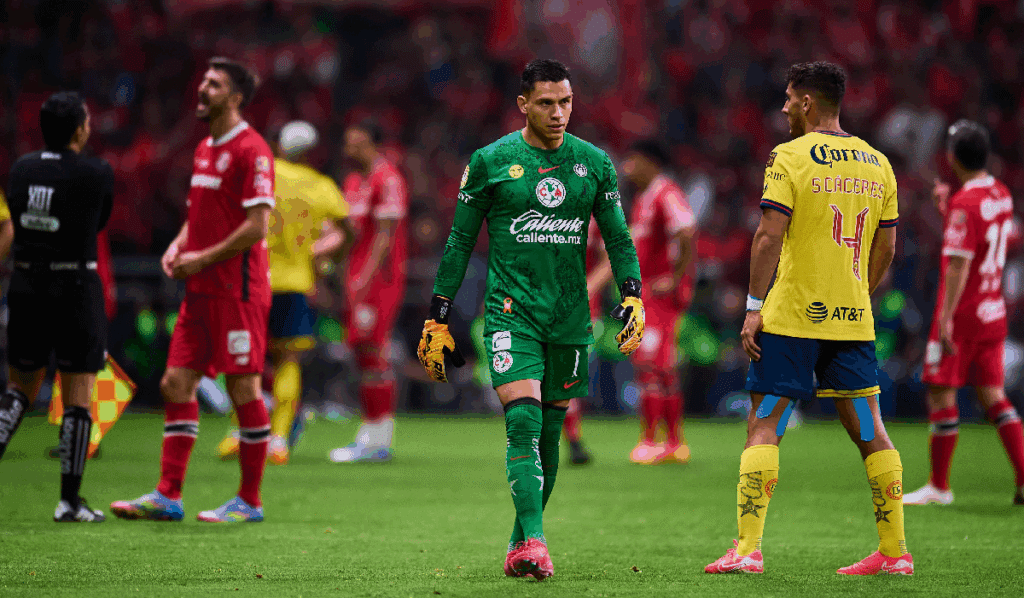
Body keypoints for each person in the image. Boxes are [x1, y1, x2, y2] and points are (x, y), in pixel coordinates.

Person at [417, 59, 644, 580]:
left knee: (548, 433)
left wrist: (633, 295)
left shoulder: (593, 163)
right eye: (546, 103)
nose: (559, 112)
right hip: (510, 315)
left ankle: (520, 543)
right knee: (522, 421)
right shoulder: (491, 161)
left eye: (565, 102)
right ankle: (539, 542)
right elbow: (457, 242)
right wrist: (438, 316)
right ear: (523, 105)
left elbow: (618, 237)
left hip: (569, 318)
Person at [704, 62, 913, 575]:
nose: (782, 108)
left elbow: (768, 236)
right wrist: (858, 290)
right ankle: (895, 552)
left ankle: (748, 549)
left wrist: (753, 308)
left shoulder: (790, 156)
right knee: (872, 432)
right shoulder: (877, 162)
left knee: (764, 427)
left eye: (787, 99)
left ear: (805, 103)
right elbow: (887, 243)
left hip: (792, 320)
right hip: (851, 324)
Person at [110, 57, 275, 523]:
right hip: (200, 290)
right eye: (202, 80)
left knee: (243, 387)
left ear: (235, 97)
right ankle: (168, 494)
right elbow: (200, 214)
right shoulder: (205, 148)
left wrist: (201, 257)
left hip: (237, 290)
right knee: (174, 382)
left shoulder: (252, 149)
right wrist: (177, 244)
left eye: (214, 84)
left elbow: (256, 226)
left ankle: (250, 501)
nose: (202, 89)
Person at [0, 91, 112, 522]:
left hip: (26, 282)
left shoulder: (22, 167)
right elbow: (98, 222)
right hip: (75, 286)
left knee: (17, 392)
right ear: (80, 128)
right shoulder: (97, 171)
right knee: (78, 397)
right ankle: (69, 502)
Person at [217, 120, 353, 465]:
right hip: (295, 284)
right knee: (288, 360)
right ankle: (278, 440)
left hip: (254, 279)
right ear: (310, 152)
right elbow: (346, 230)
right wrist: (322, 252)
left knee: (248, 360)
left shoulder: (262, 175)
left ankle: (238, 434)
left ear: (278, 146)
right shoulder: (321, 187)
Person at [903, 120, 1024, 506]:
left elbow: (957, 265)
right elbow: (980, 239)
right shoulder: (1000, 193)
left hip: (964, 313)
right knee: (993, 395)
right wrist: (946, 210)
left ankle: (939, 486)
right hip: (993, 310)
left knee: (940, 393)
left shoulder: (965, 203)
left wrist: (945, 318)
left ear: (952, 157)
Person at [588, 140, 697, 464]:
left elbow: (687, 231)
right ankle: (673, 443)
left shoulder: (665, 192)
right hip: (646, 295)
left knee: (652, 367)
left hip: (659, 295)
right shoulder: (644, 200)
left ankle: (653, 442)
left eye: (633, 161)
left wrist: (676, 278)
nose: (627, 169)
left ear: (650, 161)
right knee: (659, 369)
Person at [328, 121, 408, 463]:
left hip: (379, 282)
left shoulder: (387, 178)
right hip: (356, 279)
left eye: (357, 144)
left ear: (373, 145)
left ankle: (378, 439)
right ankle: (372, 432)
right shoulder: (352, 181)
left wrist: (363, 278)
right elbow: (348, 232)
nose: (350, 150)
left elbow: (385, 236)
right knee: (362, 354)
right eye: (348, 143)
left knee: (374, 352)